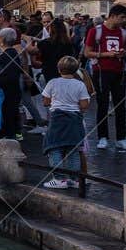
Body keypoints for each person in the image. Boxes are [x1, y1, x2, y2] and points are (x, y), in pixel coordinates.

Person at [82, 4, 126, 152]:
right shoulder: (96, 31)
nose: (124, 20)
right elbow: (87, 53)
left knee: (120, 106)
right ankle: (103, 137)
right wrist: (106, 54)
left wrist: (122, 53)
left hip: (119, 72)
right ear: (113, 16)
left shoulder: (124, 33)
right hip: (101, 72)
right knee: (102, 105)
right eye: (122, 17)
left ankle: (121, 138)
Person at [41, 55, 90, 190]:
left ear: (59, 69)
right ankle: (74, 180)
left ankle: (59, 179)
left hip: (57, 119)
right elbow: (84, 105)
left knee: (54, 148)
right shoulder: (80, 84)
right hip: (74, 119)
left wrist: (56, 102)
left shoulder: (52, 82)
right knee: (73, 150)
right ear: (75, 71)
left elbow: (45, 101)